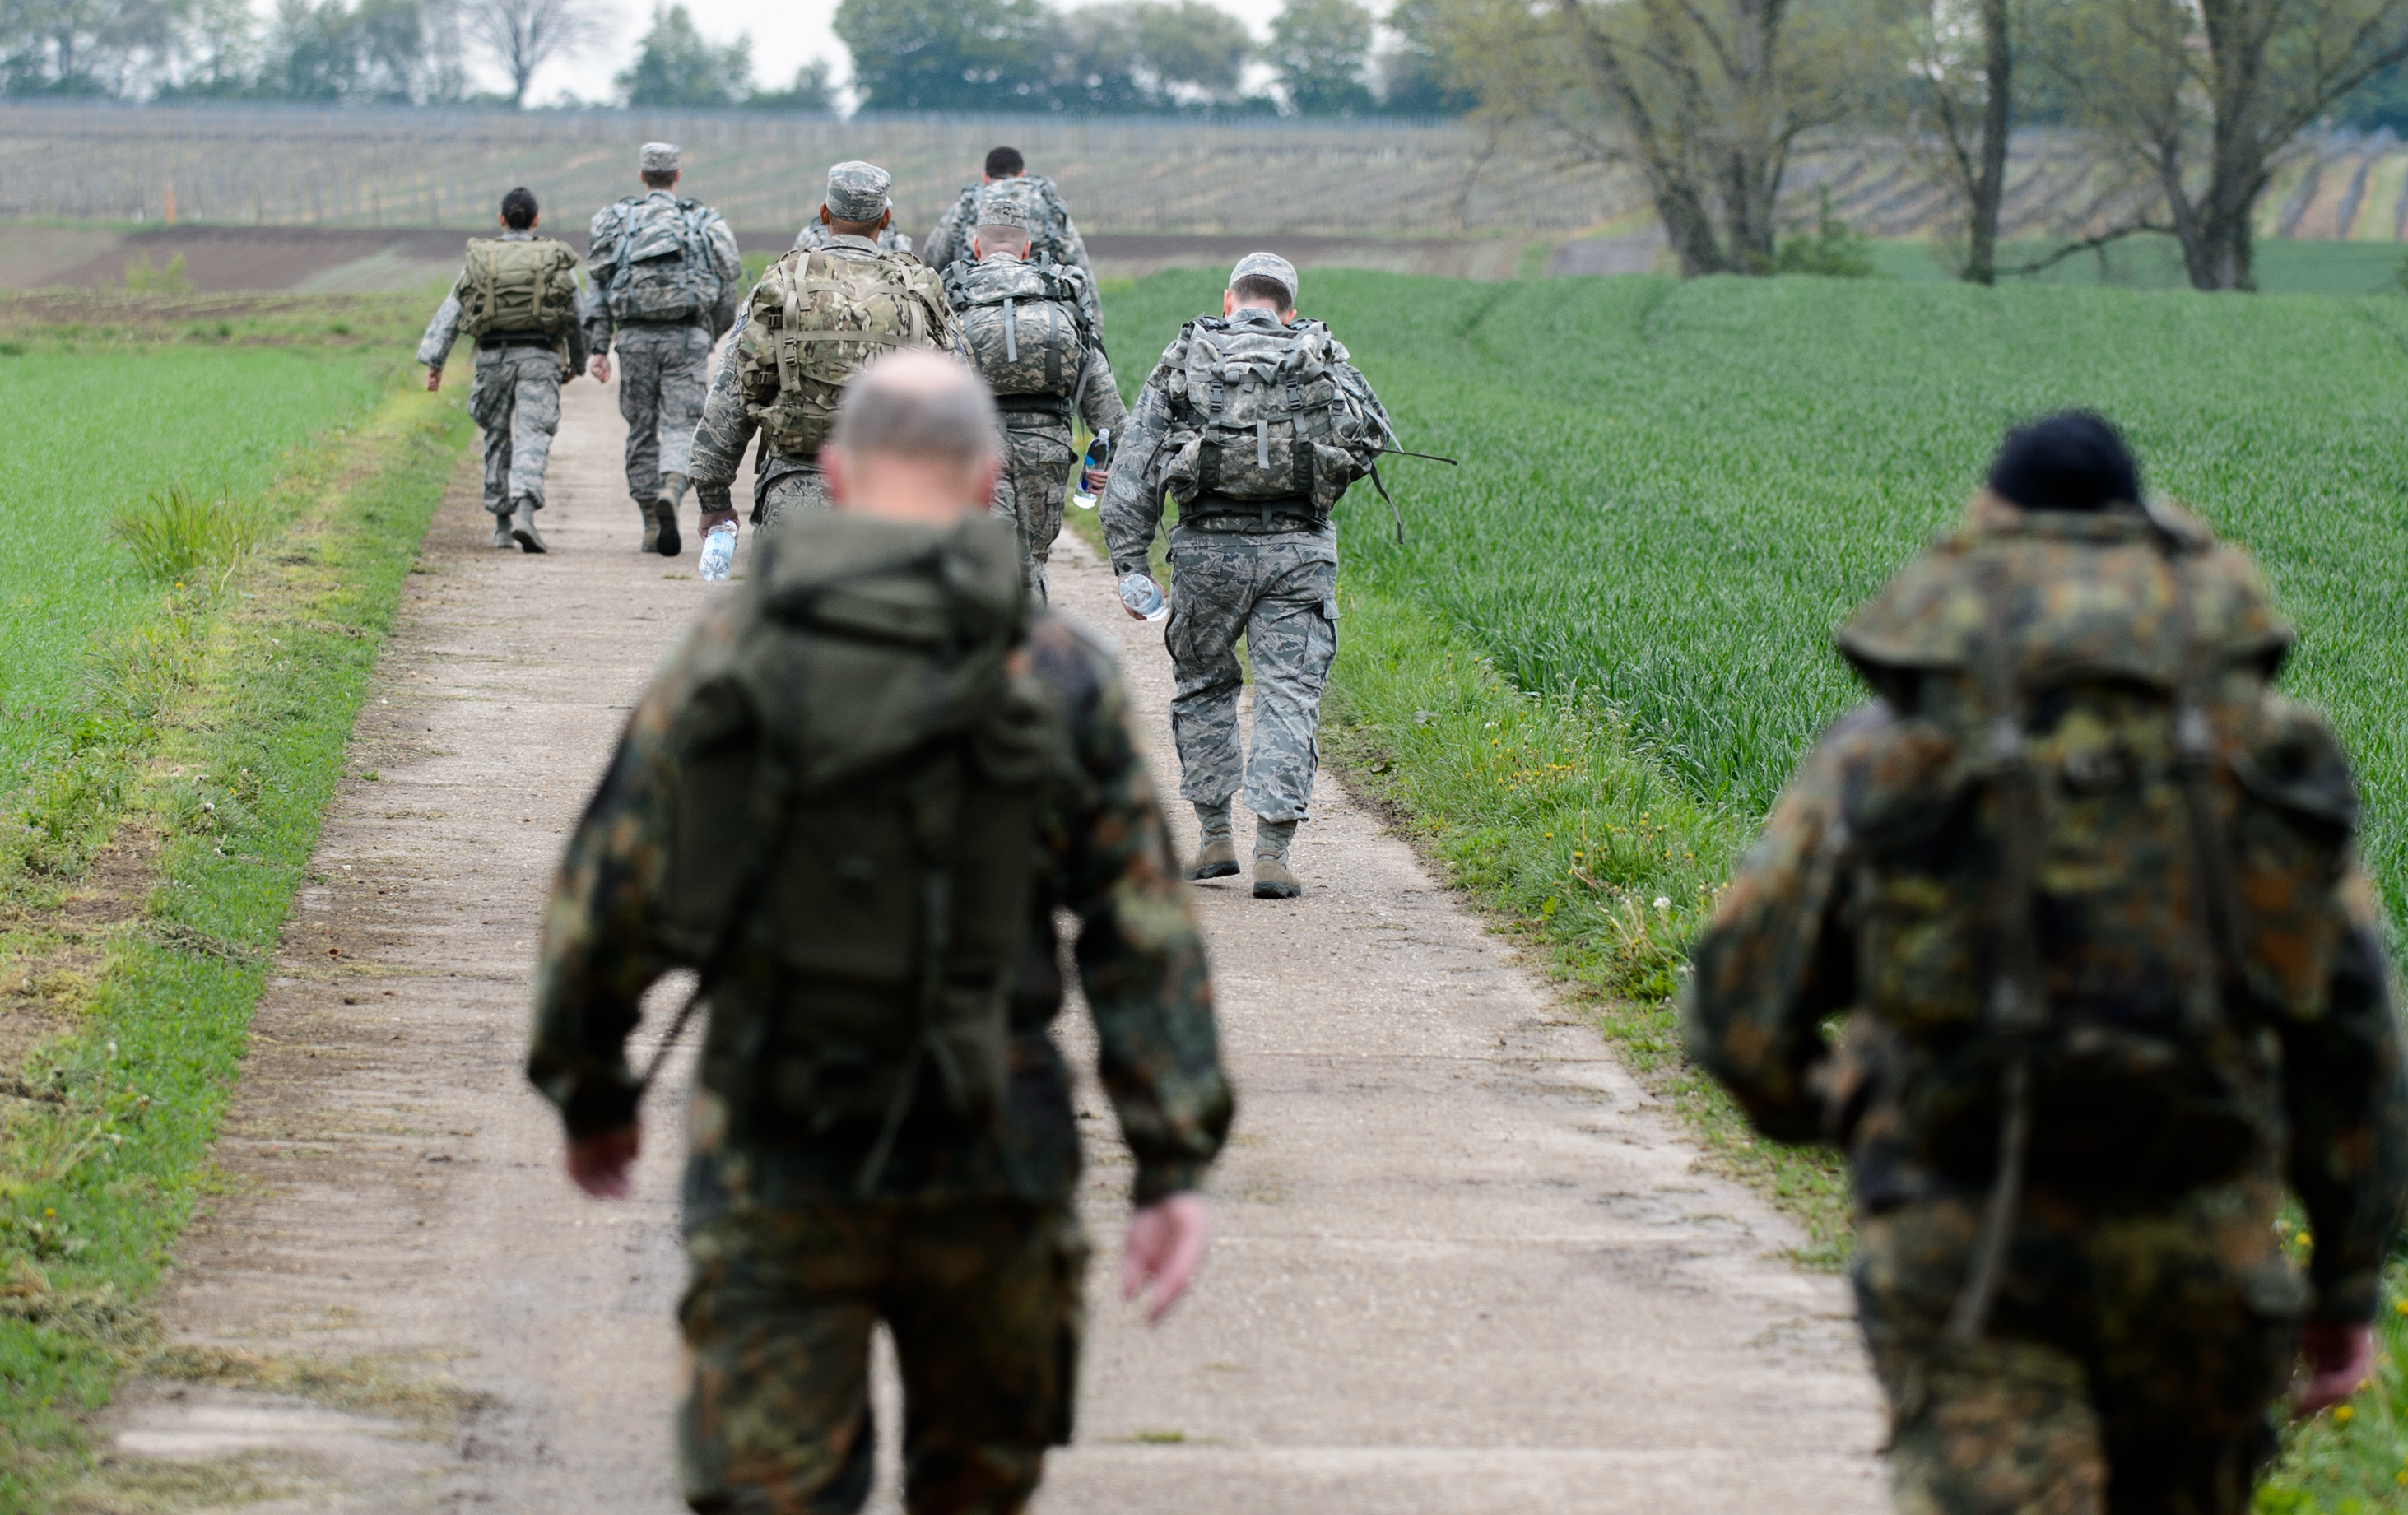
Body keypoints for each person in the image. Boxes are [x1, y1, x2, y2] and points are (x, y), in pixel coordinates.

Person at [529, 350, 1232, 1515]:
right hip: (991, 1148)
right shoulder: (1055, 672)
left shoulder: (726, 659)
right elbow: (1140, 932)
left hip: (774, 1137)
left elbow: (606, 899)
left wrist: (589, 1087)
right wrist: (1170, 1163)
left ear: (839, 478)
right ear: (986, 483)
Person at [1683, 413, 2408, 1513]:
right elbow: (2355, 1048)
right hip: (2200, 1264)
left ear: (1986, 544)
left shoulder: (1884, 754)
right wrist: (2345, 1291)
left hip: (1965, 1248)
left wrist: (1852, 1122)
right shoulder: (2267, 762)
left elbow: (1734, 1011)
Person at [1099, 252, 1394, 900]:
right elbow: (1374, 435)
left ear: (1229, 300)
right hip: (1298, 551)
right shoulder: (1319, 354)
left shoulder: (1187, 356)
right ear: (1288, 308)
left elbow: (1134, 466)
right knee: (1288, 693)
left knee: (1203, 684)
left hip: (1206, 551)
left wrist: (1129, 561)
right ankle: (1273, 851)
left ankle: (1212, 839)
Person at [687, 161, 956, 537]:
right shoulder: (920, 289)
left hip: (795, 498)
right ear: (886, 219)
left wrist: (713, 497)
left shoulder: (782, 284)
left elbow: (732, 394)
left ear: (824, 214)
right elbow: (963, 395)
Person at [946, 196, 1125, 603]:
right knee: (1031, 563)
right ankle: (1028, 650)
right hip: (1046, 450)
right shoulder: (1059, 292)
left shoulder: (952, 291)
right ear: (1026, 249)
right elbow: (1100, 392)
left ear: (977, 246)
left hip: (975, 447)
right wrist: (1111, 457)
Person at [582, 142, 744, 557]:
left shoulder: (616, 222)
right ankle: (673, 486)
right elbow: (728, 287)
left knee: (640, 428)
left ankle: (650, 522)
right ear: (677, 176)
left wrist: (599, 344)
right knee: (681, 424)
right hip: (687, 336)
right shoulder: (704, 222)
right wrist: (711, 332)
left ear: (642, 176)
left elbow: (597, 286)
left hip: (633, 338)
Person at [417, 187, 585, 553]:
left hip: (493, 358)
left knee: (496, 436)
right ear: (537, 220)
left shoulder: (482, 259)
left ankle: (502, 524)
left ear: (501, 220)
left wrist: (435, 362)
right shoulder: (552, 257)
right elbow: (576, 315)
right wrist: (579, 362)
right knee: (533, 435)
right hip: (539, 358)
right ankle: (525, 509)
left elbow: (451, 310)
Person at [921, 146, 1098, 329]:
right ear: (1023, 174)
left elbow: (935, 256)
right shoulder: (1047, 203)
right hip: (1045, 320)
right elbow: (1080, 266)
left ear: (985, 178)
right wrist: (1094, 333)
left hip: (977, 317)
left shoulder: (968, 204)